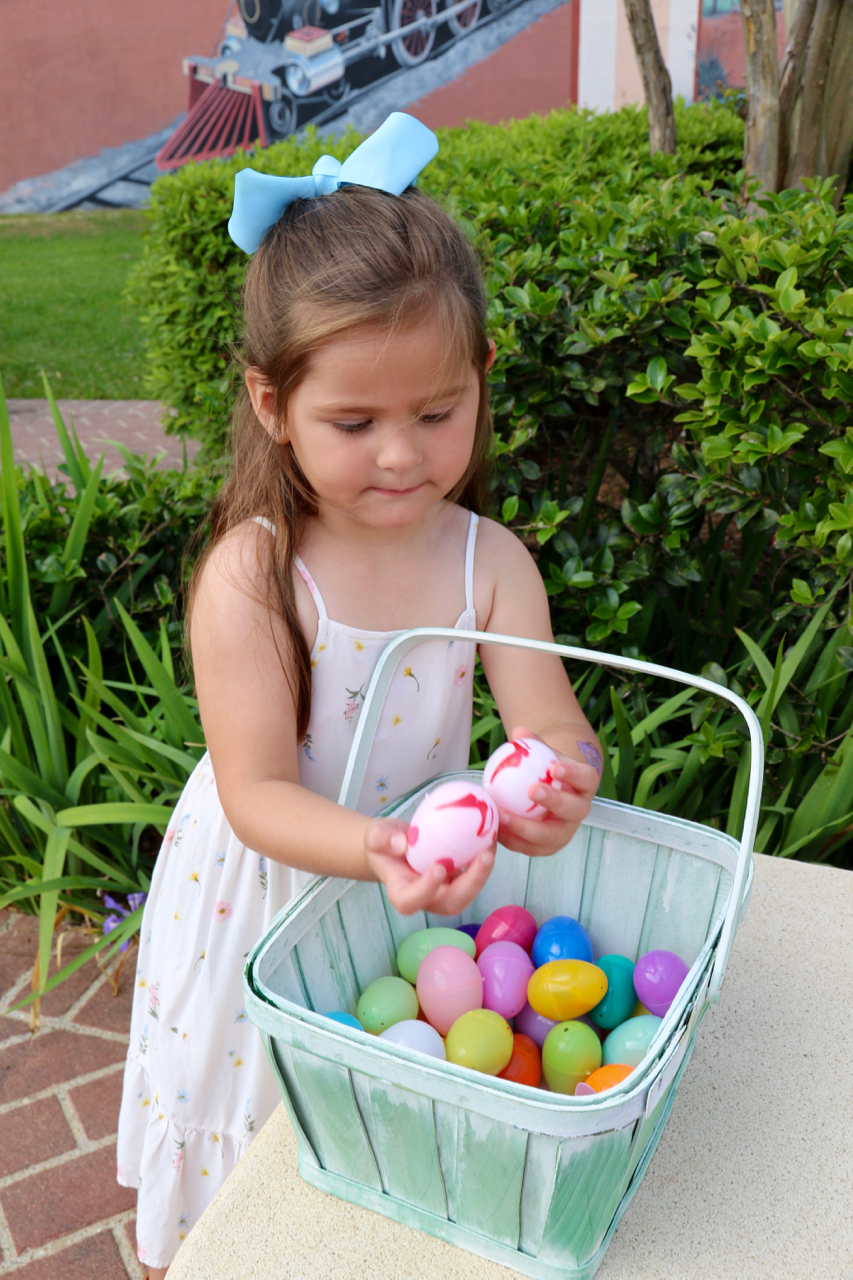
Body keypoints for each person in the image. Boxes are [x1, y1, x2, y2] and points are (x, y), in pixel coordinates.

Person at [116, 113, 602, 1278]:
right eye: (354, 422)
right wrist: (378, 843)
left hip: (405, 887)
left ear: (479, 378)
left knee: (372, 1128)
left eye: (435, 413)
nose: (402, 454)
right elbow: (256, 792)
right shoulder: (256, 575)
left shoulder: (492, 562)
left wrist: (561, 778)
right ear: (273, 403)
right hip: (271, 888)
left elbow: (547, 719)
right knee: (251, 1126)